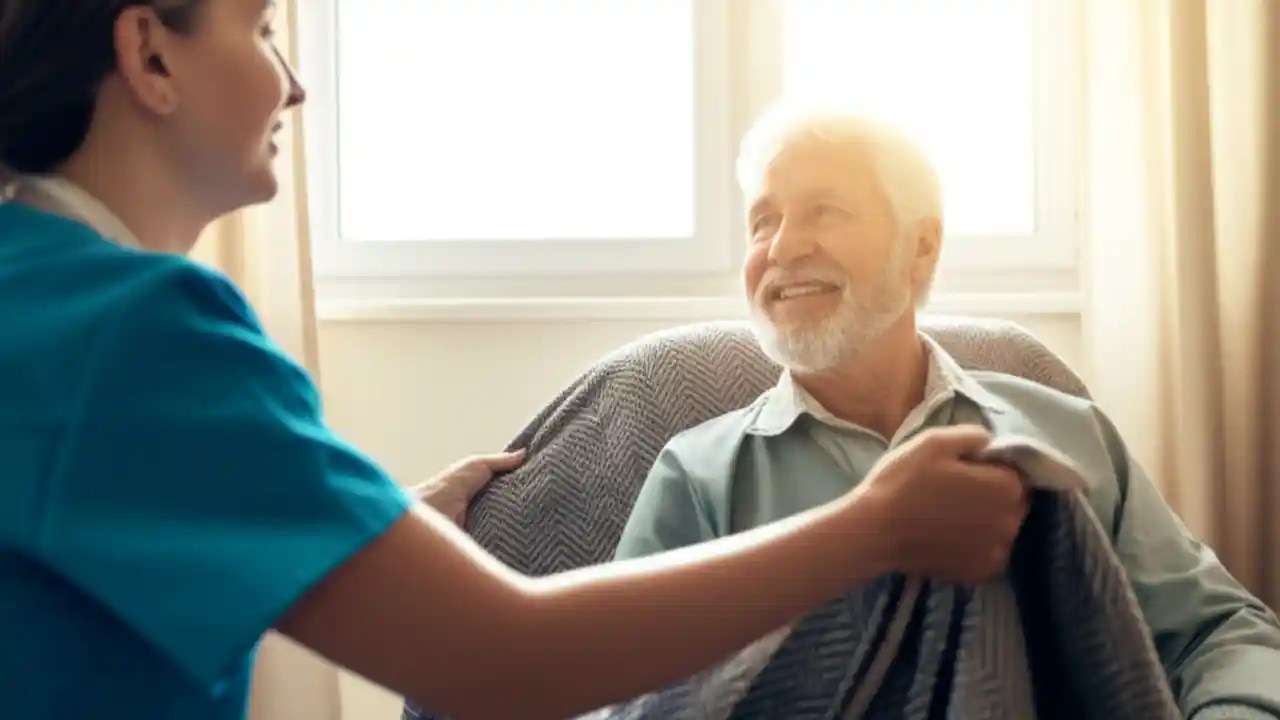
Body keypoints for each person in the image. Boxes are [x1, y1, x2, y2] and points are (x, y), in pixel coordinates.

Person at [0, 3, 1037, 719]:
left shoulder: (39, 301)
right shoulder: (142, 334)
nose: (294, 82)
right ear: (149, 56)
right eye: (263, 29)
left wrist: (371, 523)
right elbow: (507, 664)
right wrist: (872, 529)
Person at [614, 104, 1280, 718]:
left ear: (922, 245)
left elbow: (1219, 632)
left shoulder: (1066, 435)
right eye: (763, 221)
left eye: (823, 211)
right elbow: (628, 698)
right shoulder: (697, 475)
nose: (783, 248)